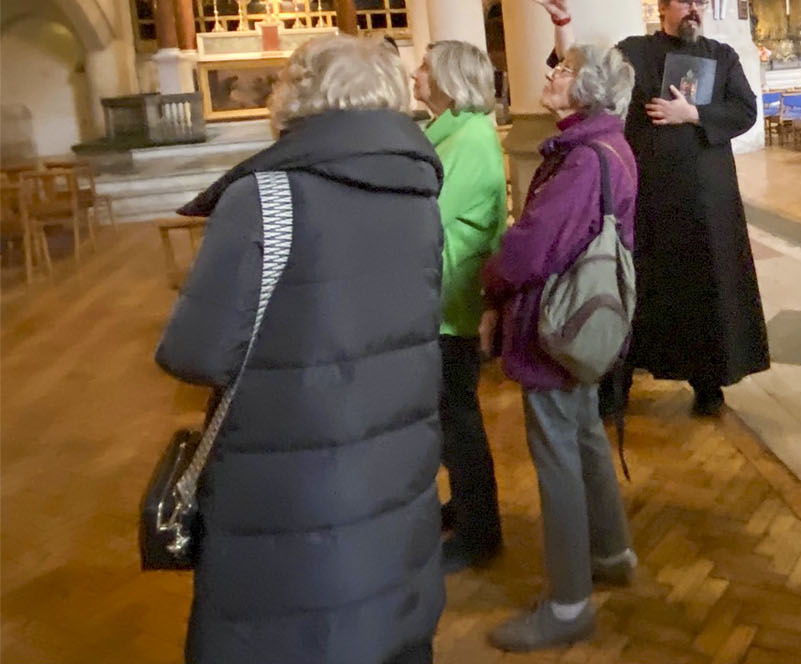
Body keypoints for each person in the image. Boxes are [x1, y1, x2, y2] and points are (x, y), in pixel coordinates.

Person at [155, 35, 445, 664]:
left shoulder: (266, 197)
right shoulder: (419, 193)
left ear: (297, 94)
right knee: (382, 621)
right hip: (395, 461)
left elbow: (195, 354)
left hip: (289, 483)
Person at [529, 0, 768, 417]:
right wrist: (562, 22)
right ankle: (617, 383)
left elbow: (745, 110)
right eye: (684, 1)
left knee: (706, 288)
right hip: (648, 196)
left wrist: (691, 114)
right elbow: (586, 74)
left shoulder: (722, 56)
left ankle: (708, 383)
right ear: (662, 7)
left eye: (699, 2)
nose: (694, 9)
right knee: (638, 286)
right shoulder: (636, 52)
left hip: (707, 199)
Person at [480, 43, 640, 653]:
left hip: (556, 326)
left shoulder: (582, 161)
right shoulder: (604, 145)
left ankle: (569, 604)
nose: (553, 74)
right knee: (585, 436)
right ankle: (612, 552)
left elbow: (532, 248)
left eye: (565, 70)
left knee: (557, 461)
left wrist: (488, 280)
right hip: (585, 324)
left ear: (587, 89)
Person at [412, 40, 507, 573]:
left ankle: (480, 532)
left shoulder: (468, 138)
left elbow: (424, 215)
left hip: (453, 300)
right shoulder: (449, 131)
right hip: (441, 296)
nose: (416, 74)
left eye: (425, 67)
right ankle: (466, 507)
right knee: (449, 416)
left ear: (450, 79)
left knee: (458, 422)